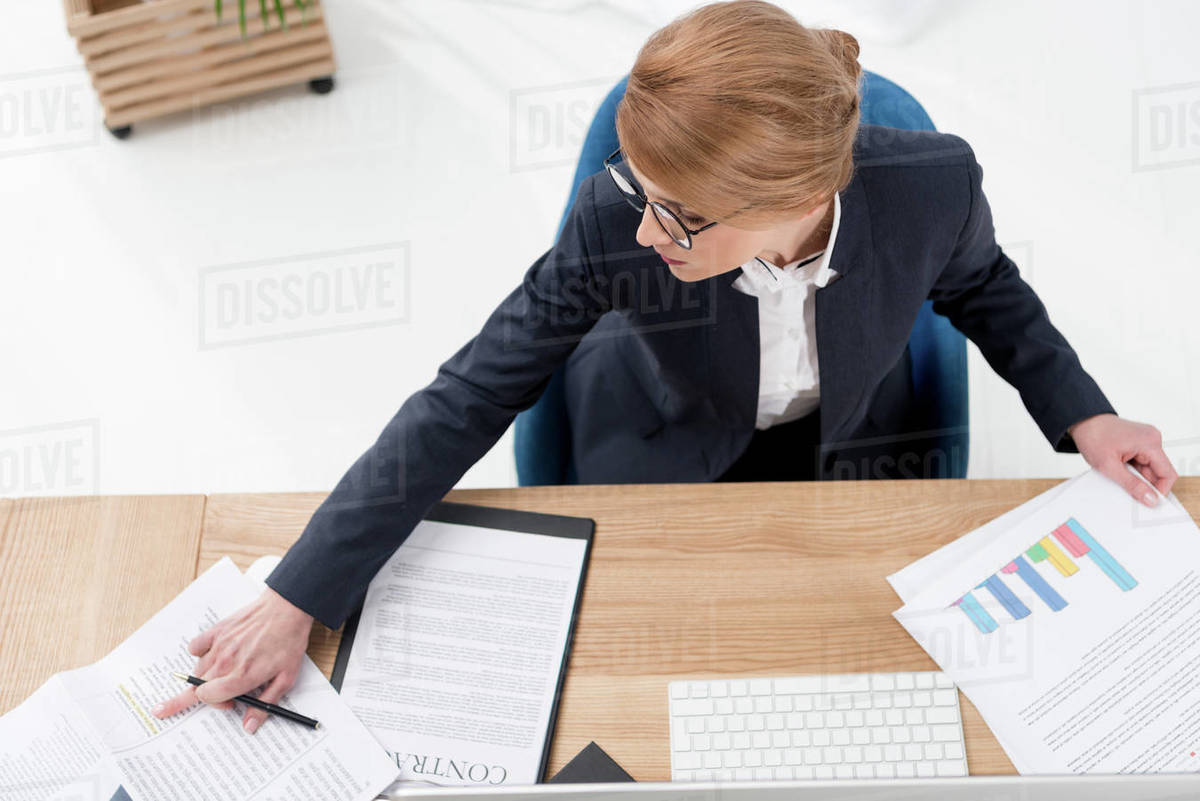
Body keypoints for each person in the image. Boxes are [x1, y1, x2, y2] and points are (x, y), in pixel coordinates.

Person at [153, 0, 1178, 734]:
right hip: (665, 439)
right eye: (637, 192)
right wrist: (300, 593)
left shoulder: (934, 186)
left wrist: (1084, 415)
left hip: (858, 446)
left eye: (677, 215)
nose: (642, 231)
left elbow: (983, 285)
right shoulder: (616, 218)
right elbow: (468, 392)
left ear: (787, 197)